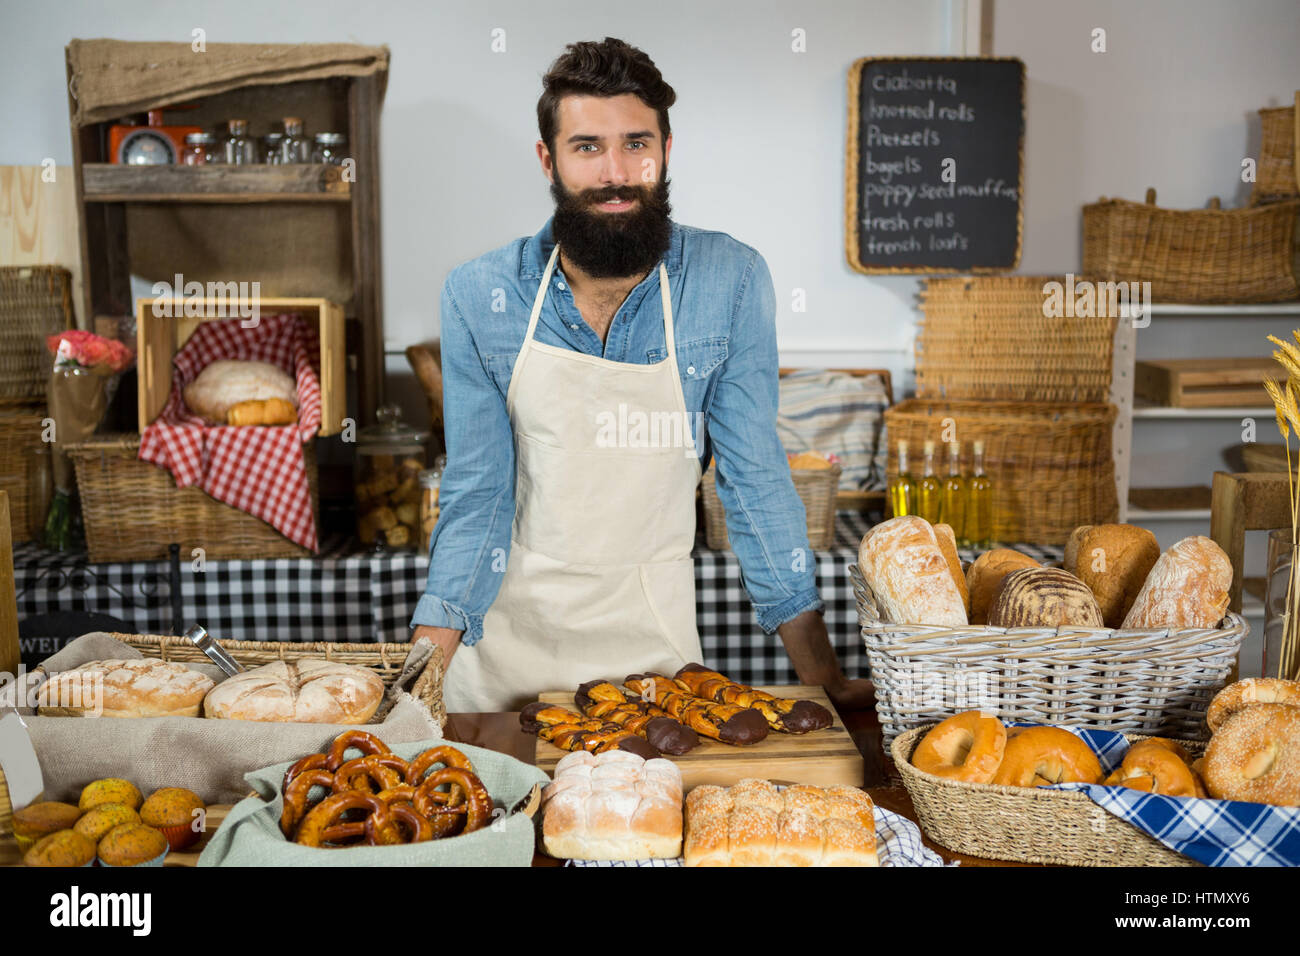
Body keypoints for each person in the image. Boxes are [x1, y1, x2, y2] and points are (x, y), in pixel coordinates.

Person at [411, 37, 871, 714]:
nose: (616, 173)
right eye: (588, 147)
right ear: (550, 159)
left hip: (653, 658)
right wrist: (419, 677)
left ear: (666, 148)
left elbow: (754, 484)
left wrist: (822, 678)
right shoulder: (479, 294)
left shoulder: (730, 280)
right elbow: (477, 494)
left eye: (636, 143)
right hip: (505, 657)